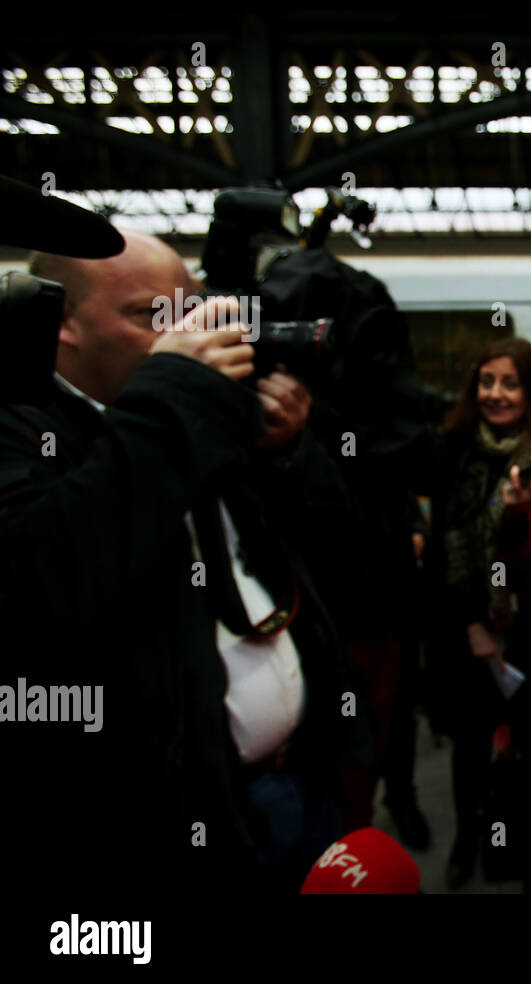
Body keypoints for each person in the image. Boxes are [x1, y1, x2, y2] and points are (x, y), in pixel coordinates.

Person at [4, 230, 361, 894]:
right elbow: (44, 585)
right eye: (150, 315)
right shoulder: (26, 430)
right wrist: (172, 392)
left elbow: (338, 550)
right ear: (63, 327)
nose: (187, 334)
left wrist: (288, 453)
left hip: (301, 781)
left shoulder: (204, 409)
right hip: (162, 827)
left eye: (190, 310)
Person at [435, 336, 531, 889]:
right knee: (469, 747)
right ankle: (466, 842)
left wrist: (518, 519)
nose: (496, 394)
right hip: (467, 624)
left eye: (510, 382)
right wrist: (473, 624)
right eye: (486, 382)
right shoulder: (453, 448)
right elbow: (448, 545)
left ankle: (529, 859)